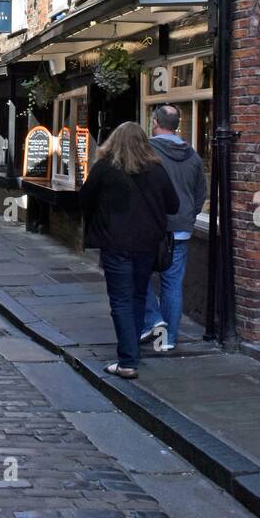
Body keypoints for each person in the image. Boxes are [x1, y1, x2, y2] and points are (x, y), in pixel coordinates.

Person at [79, 121, 179, 378]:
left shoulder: (104, 169)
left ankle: (127, 361)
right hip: (146, 245)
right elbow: (173, 205)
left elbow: (84, 200)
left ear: (114, 141)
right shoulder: (156, 170)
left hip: (116, 244)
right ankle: (131, 353)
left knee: (122, 301)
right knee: (136, 298)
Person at [141, 104, 208, 353]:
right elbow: (201, 192)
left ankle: (152, 320)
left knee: (138, 275)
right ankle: (166, 340)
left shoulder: (145, 151)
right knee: (172, 283)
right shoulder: (193, 155)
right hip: (180, 229)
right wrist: (189, 215)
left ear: (155, 123)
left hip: (151, 227)